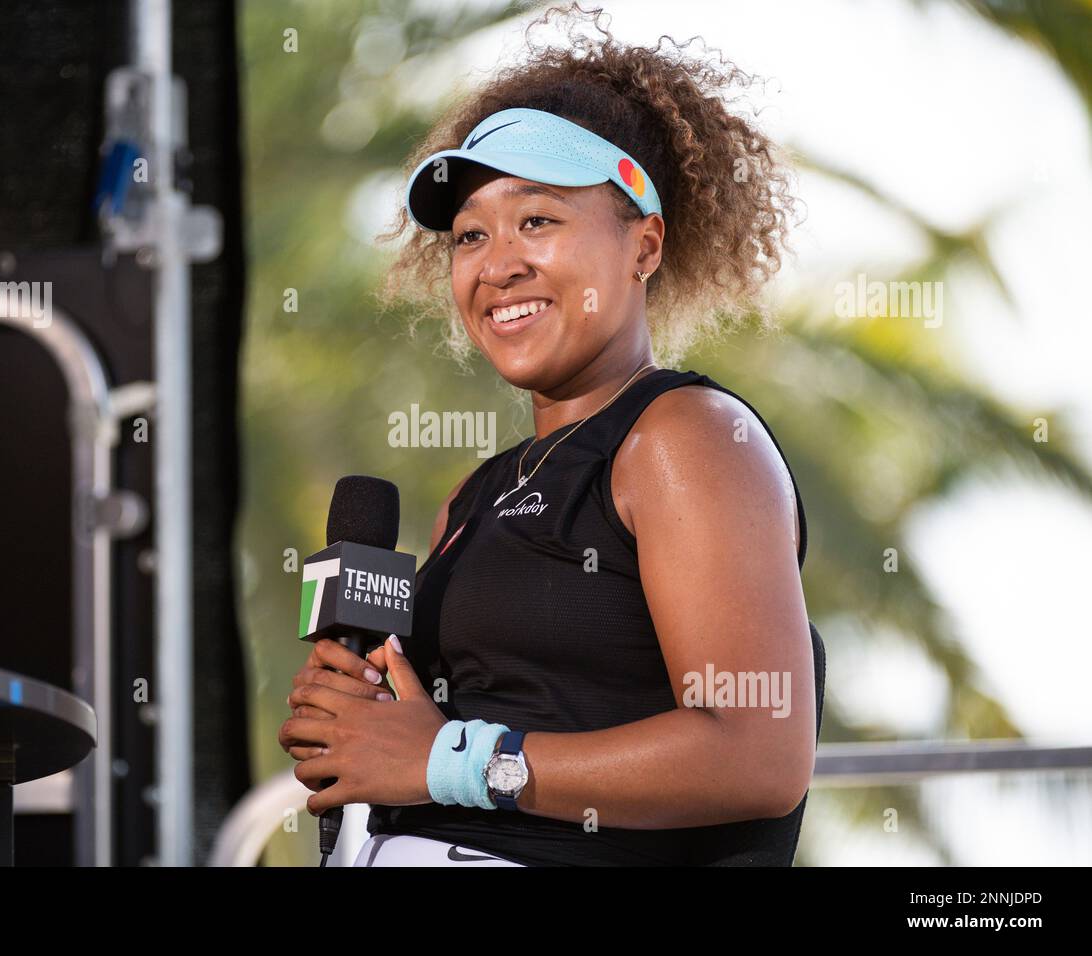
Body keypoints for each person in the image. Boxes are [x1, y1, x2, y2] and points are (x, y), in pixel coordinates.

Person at [278, 4, 824, 866]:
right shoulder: (475, 493)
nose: (497, 264)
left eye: (537, 220)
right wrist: (363, 718)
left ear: (643, 246)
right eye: (469, 236)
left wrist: (447, 758)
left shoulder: (687, 435)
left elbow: (757, 754)